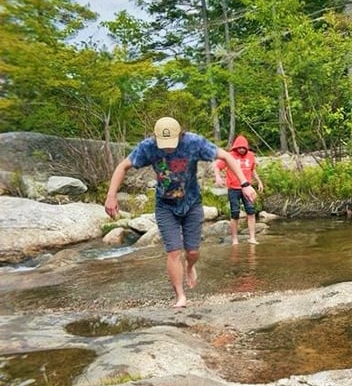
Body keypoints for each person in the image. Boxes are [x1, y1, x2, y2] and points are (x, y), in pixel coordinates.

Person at [104, 117, 257, 308]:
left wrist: (245, 184)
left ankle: (190, 266)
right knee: (174, 251)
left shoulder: (193, 142)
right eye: (163, 144)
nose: (168, 148)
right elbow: (123, 166)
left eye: (172, 143)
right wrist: (111, 195)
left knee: (192, 251)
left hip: (192, 203)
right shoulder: (148, 147)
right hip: (165, 205)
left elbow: (226, 156)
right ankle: (180, 296)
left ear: (180, 135)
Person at [213, 134, 263, 245]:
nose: (241, 150)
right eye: (239, 147)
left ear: (246, 147)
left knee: (251, 211)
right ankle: (235, 240)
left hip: (247, 188)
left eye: (243, 148)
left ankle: (252, 238)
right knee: (235, 213)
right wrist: (218, 177)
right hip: (233, 189)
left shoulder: (251, 156)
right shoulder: (229, 156)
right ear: (235, 147)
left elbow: (252, 170)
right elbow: (217, 166)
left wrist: (259, 181)